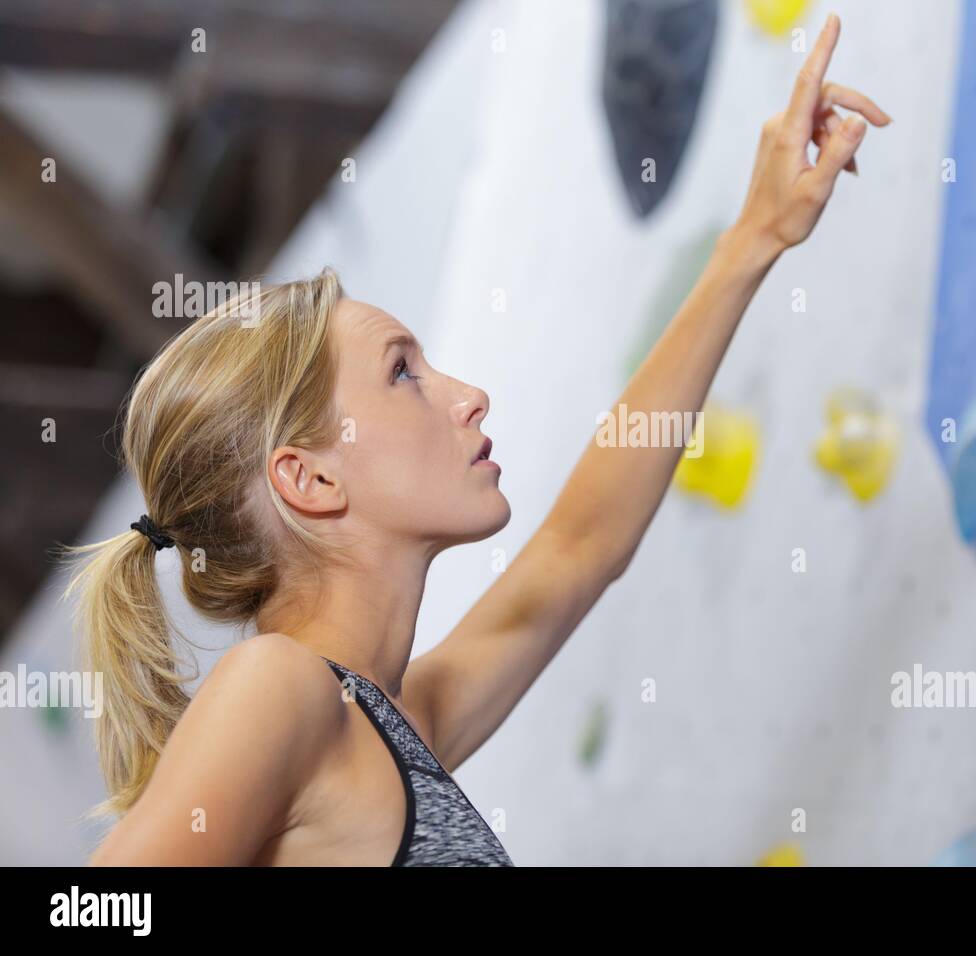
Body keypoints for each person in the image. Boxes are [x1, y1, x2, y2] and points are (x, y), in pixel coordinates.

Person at [73, 13, 889, 865]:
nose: (468, 397)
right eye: (402, 373)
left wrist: (753, 237)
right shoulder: (277, 691)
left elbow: (582, 547)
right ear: (308, 480)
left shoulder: (392, 727)